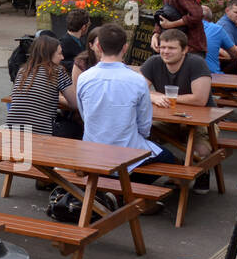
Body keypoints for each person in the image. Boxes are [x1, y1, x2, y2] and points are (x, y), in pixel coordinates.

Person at [76, 23, 178, 168]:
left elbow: (84, 115)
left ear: (98, 47)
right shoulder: (137, 80)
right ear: (125, 47)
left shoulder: (84, 78)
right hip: (127, 150)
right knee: (170, 160)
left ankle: (113, 185)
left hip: (93, 148)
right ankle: (121, 186)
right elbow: (144, 125)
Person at [142, 28, 214, 178]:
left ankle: (201, 176)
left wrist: (165, 98)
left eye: (171, 48)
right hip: (169, 119)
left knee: (201, 151)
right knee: (144, 136)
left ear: (185, 50)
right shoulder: (153, 62)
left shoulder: (196, 63)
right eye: (162, 47)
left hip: (202, 121)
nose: (165, 51)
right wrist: (154, 97)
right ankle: (175, 168)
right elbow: (137, 89)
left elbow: (200, 99)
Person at [6, 33, 80, 140]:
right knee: (76, 128)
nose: (63, 57)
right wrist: (58, 98)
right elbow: (74, 104)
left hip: (12, 132)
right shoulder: (57, 71)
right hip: (40, 134)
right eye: (59, 54)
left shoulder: (22, 71)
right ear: (49, 55)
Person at [199, 6, 237, 75]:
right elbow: (235, 54)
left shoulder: (186, 27)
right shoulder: (217, 29)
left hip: (188, 76)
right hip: (211, 75)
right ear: (210, 19)